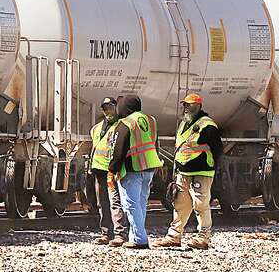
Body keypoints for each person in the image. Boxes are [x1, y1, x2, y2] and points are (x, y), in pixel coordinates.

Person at [152, 93, 222, 250]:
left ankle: (203, 237)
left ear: (198, 107)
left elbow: (218, 150)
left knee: (200, 204)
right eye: (185, 105)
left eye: (189, 105)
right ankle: (174, 236)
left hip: (202, 171)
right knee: (180, 204)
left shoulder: (208, 126)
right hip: (183, 171)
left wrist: (212, 168)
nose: (186, 108)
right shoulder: (184, 124)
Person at [108, 95, 162, 249]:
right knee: (141, 204)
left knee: (131, 205)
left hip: (133, 168)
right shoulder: (151, 120)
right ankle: (135, 236)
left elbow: (118, 150)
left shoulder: (125, 123)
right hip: (149, 167)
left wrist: (112, 170)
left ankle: (140, 239)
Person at [88, 97, 127, 246]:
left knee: (115, 203)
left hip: (113, 170)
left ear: (116, 108)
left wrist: (116, 168)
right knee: (102, 203)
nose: (108, 111)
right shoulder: (97, 128)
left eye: (110, 108)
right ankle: (106, 233)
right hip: (99, 170)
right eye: (105, 108)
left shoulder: (120, 126)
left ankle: (120, 233)